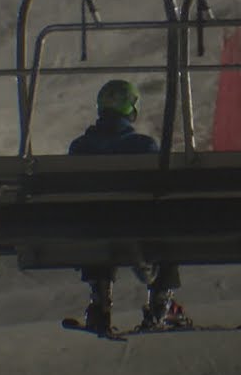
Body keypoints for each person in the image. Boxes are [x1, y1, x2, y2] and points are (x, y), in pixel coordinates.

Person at [69, 79, 189, 335]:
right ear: (132, 109)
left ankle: (99, 299)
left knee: (96, 220)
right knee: (165, 218)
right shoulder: (143, 147)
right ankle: (160, 300)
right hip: (140, 227)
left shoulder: (79, 148)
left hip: (90, 227)